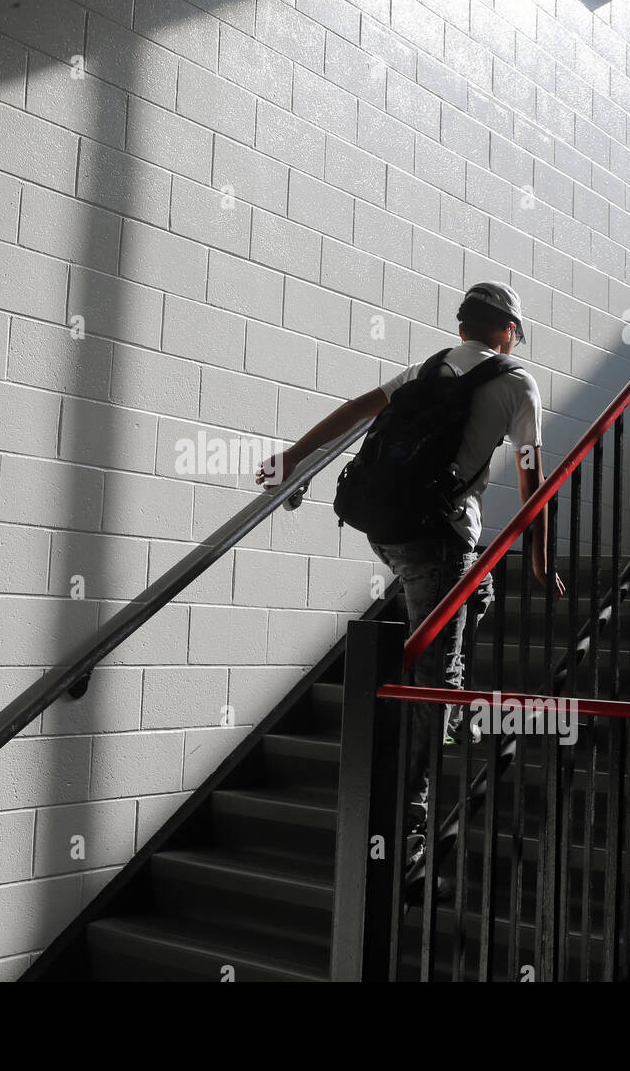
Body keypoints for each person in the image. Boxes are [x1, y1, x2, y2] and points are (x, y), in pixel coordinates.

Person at [255, 282, 563, 864]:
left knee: (479, 593)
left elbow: (354, 411)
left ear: (462, 325)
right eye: (516, 331)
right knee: (434, 677)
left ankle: (439, 681)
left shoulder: (427, 369)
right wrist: (542, 558)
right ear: (506, 331)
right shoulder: (518, 381)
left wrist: (293, 456)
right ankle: (410, 821)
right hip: (438, 540)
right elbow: (533, 478)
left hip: (385, 529)